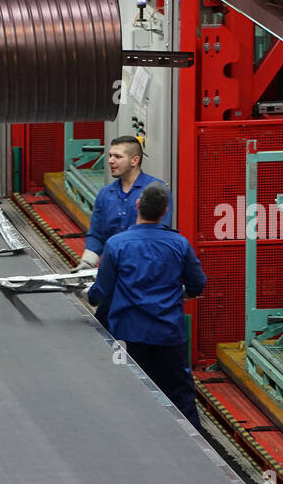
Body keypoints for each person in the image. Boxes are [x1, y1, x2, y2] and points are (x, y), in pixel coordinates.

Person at [86, 183, 207, 430]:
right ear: (164, 211)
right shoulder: (179, 244)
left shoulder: (117, 244)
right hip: (168, 333)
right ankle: (194, 442)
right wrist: (185, 293)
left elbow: (103, 289)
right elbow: (198, 283)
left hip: (128, 334)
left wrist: (90, 296)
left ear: (137, 206)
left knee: (128, 389)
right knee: (180, 392)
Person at [77, 136, 172, 330]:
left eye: (117, 157)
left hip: (143, 280)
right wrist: (87, 261)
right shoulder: (106, 194)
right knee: (104, 331)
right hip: (112, 279)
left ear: (134, 160)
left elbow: (159, 235)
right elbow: (97, 233)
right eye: (110, 156)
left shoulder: (155, 191)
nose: (111, 161)